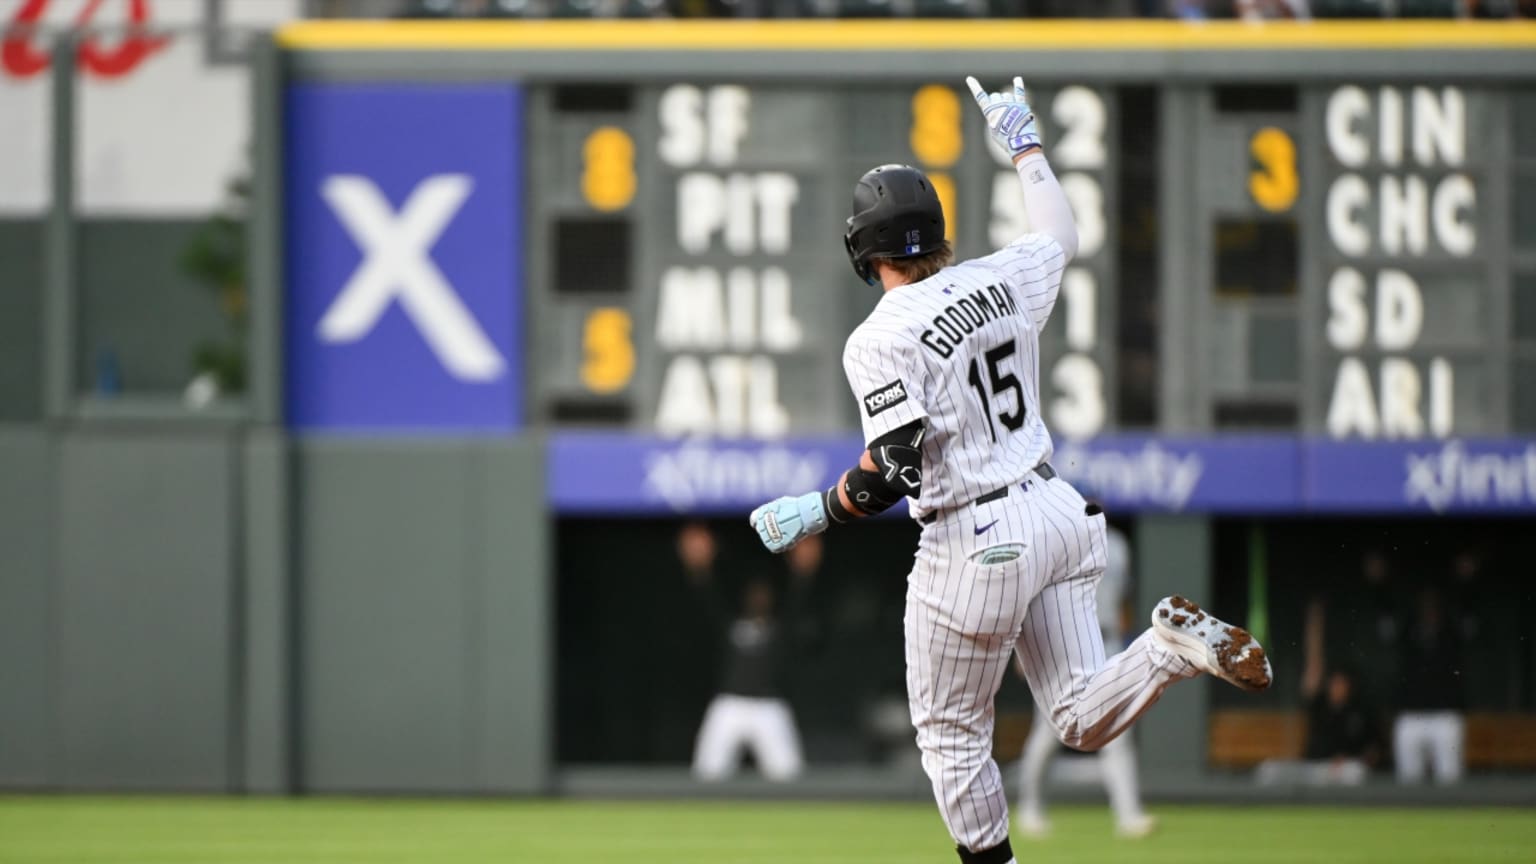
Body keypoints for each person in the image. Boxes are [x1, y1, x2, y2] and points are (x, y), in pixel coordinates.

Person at [748, 75, 1273, 864]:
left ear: (865, 249)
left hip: (974, 538)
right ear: (936, 229)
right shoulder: (998, 279)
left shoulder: (880, 336)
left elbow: (890, 470)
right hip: (1059, 513)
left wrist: (818, 510)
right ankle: (1166, 648)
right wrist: (1026, 147)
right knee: (1078, 720)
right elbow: (1061, 234)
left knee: (951, 736)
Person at [1015, 525, 1156, 839]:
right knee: (1049, 733)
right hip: (1064, 644)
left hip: (1108, 641)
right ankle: (1029, 807)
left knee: (1119, 728)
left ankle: (1128, 816)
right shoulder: (1053, 539)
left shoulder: (1117, 543)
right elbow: (1031, 595)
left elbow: (1123, 597)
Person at [684, 523, 816, 782]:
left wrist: (805, 573)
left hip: (769, 706)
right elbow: (707, 600)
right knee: (706, 774)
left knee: (790, 776)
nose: (759, 599)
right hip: (729, 705)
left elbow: (798, 602)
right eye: (754, 594)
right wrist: (698, 568)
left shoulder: (779, 627)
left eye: (763, 595)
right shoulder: (730, 625)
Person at [1394, 587, 1466, 785]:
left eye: (1433, 607)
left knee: (1450, 778)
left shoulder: (1451, 633)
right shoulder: (1408, 634)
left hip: (1445, 715)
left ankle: (1453, 816)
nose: (1429, 612)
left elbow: (1468, 620)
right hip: (1411, 715)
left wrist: (1465, 584)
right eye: (1425, 607)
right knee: (1408, 780)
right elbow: (1386, 622)